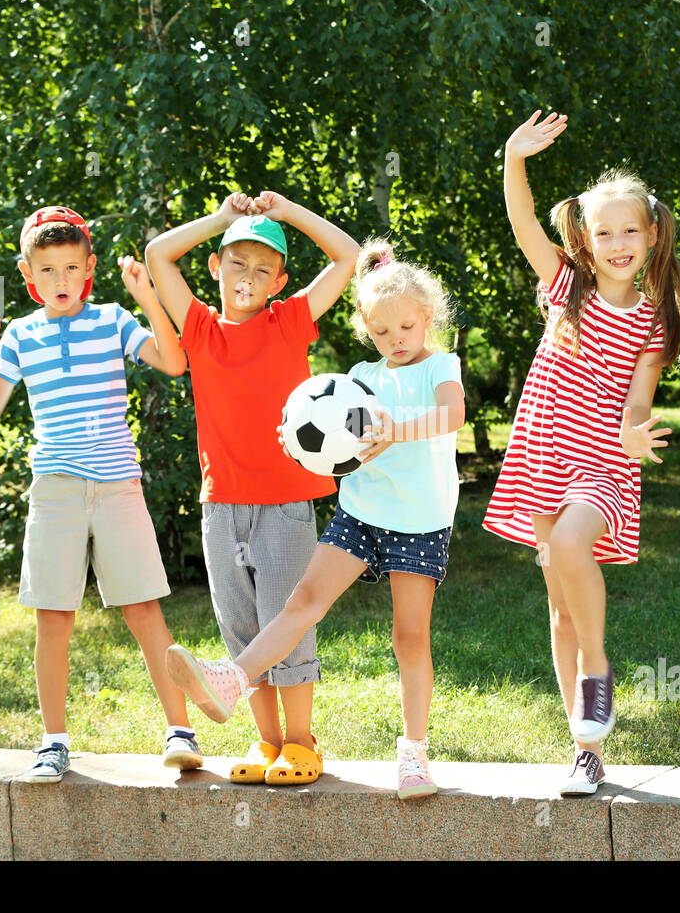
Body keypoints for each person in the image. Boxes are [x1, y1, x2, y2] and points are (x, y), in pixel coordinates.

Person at [165, 239, 465, 799]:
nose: (394, 341)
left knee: (409, 637)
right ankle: (231, 679)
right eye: (380, 333)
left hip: (420, 522)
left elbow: (452, 413)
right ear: (366, 331)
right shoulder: (359, 374)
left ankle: (414, 757)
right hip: (361, 511)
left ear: (426, 317)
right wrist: (298, 440)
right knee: (301, 602)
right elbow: (327, 426)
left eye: (404, 328)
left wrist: (395, 429)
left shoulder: (441, 367)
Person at [483, 112, 680, 796]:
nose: (619, 243)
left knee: (573, 548)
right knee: (559, 607)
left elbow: (639, 396)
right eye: (604, 233)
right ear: (586, 241)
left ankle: (597, 672)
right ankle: (586, 750)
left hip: (601, 462)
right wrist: (515, 159)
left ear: (652, 234)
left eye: (631, 230)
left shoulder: (654, 317)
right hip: (541, 455)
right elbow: (522, 226)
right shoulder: (566, 287)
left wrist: (633, 431)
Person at [0, 205, 197, 783]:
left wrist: (147, 296)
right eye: (47, 271)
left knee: (144, 609)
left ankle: (179, 731)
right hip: (57, 489)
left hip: (117, 484)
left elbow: (174, 362)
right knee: (54, 617)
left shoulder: (114, 320)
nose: (60, 281)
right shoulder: (20, 335)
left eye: (71, 268)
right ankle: (53, 741)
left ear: (89, 268)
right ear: (29, 275)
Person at [146, 191, 358, 786]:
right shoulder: (199, 328)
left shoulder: (289, 320)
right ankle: (267, 746)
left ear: (280, 281)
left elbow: (346, 256)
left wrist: (288, 213)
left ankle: (301, 743)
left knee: (285, 625)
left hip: (286, 506)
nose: (248, 276)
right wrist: (221, 219)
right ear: (215, 268)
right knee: (241, 630)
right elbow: (159, 254)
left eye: (263, 268)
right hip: (220, 507)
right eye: (236, 262)